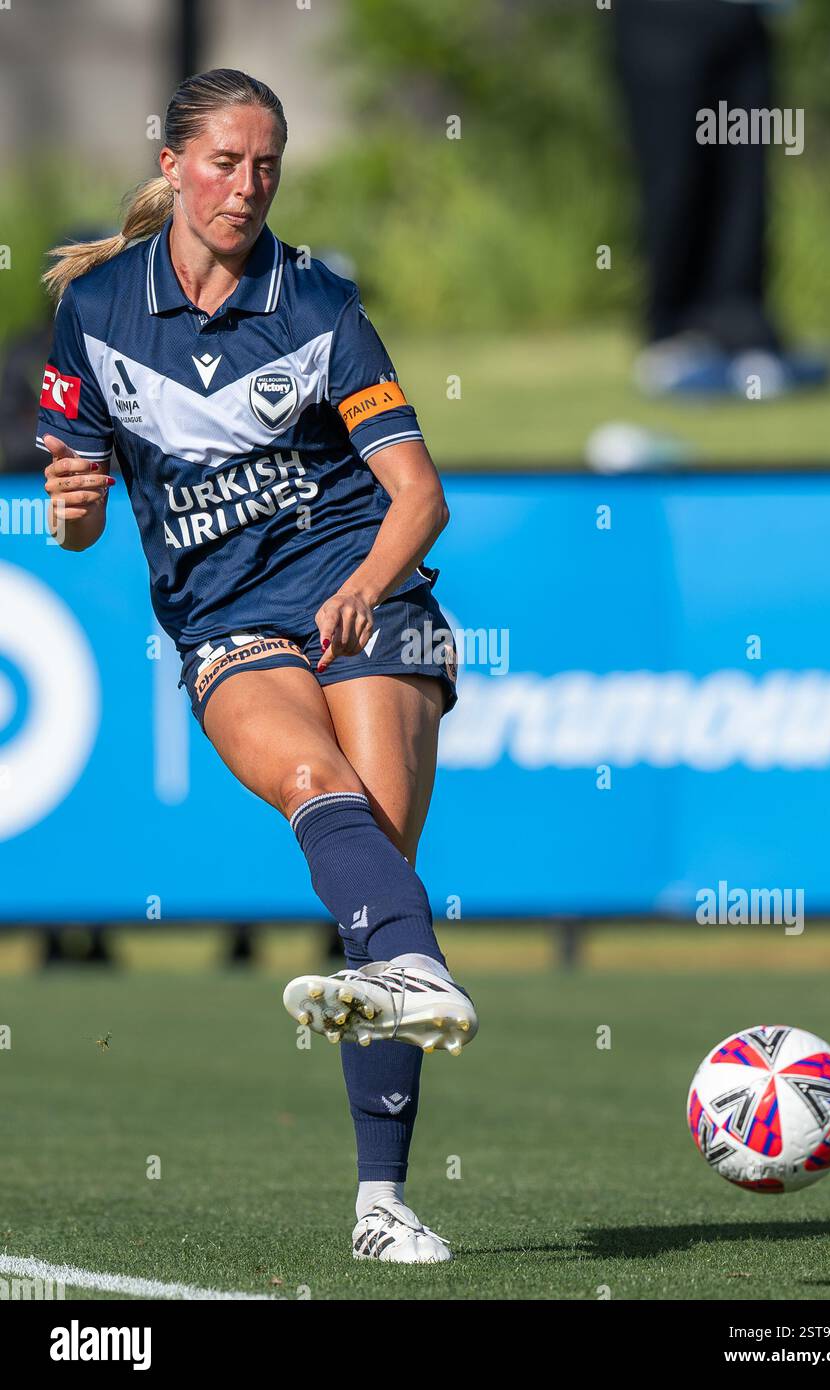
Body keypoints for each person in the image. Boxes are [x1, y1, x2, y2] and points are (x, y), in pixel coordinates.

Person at [36, 68, 476, 1265]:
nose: (247, 185)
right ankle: (422, 970)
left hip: (359, 593)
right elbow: (77, 515)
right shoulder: (96, 309)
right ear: (172, 163)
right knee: (317, 803)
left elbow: (418, 498)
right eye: (224, 162)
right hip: (223, 617)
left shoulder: (320, 303)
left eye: (266, 163)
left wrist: (364, 586)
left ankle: (379, 1205)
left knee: (375, 869)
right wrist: (71, 503)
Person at [612, 0, 830, 398]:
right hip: (660, 18)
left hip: (745, 17)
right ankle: (673, 338)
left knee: (746, 177)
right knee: (675, 174)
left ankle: (742, 331)